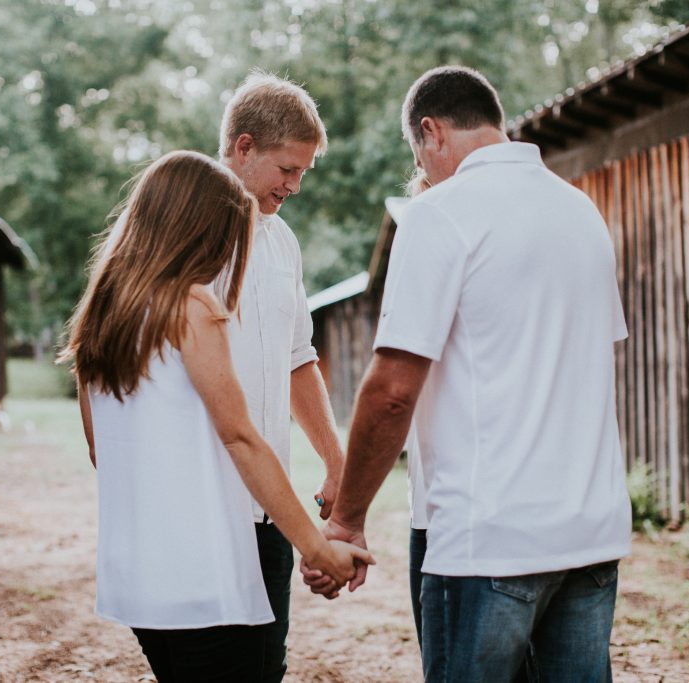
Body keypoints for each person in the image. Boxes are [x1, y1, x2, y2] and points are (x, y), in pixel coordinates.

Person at [306, 66, 632, 682]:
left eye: (418, 155)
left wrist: (345, 520)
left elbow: (393, 391)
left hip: (490, 541)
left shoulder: (437, 214)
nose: (422, 173)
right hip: (589, 534)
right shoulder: (581, 212)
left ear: (430, 132)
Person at [59, 151, 372, 683]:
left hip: (141, 570)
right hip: (202, 571)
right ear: (196, 229)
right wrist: (318, 548)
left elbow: (101, 451)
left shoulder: (102, 314)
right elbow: (242, 438)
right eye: (226, 235)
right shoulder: (192, 307)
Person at [217, 70, 348, 683]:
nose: (294, 187)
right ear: (244, 148)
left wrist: (334, 459)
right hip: (203, 503)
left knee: (266, 667)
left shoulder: (283, 242)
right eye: (286, 170)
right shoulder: (187, 234)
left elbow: (300, 359)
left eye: (303, 173)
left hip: (268, 508)